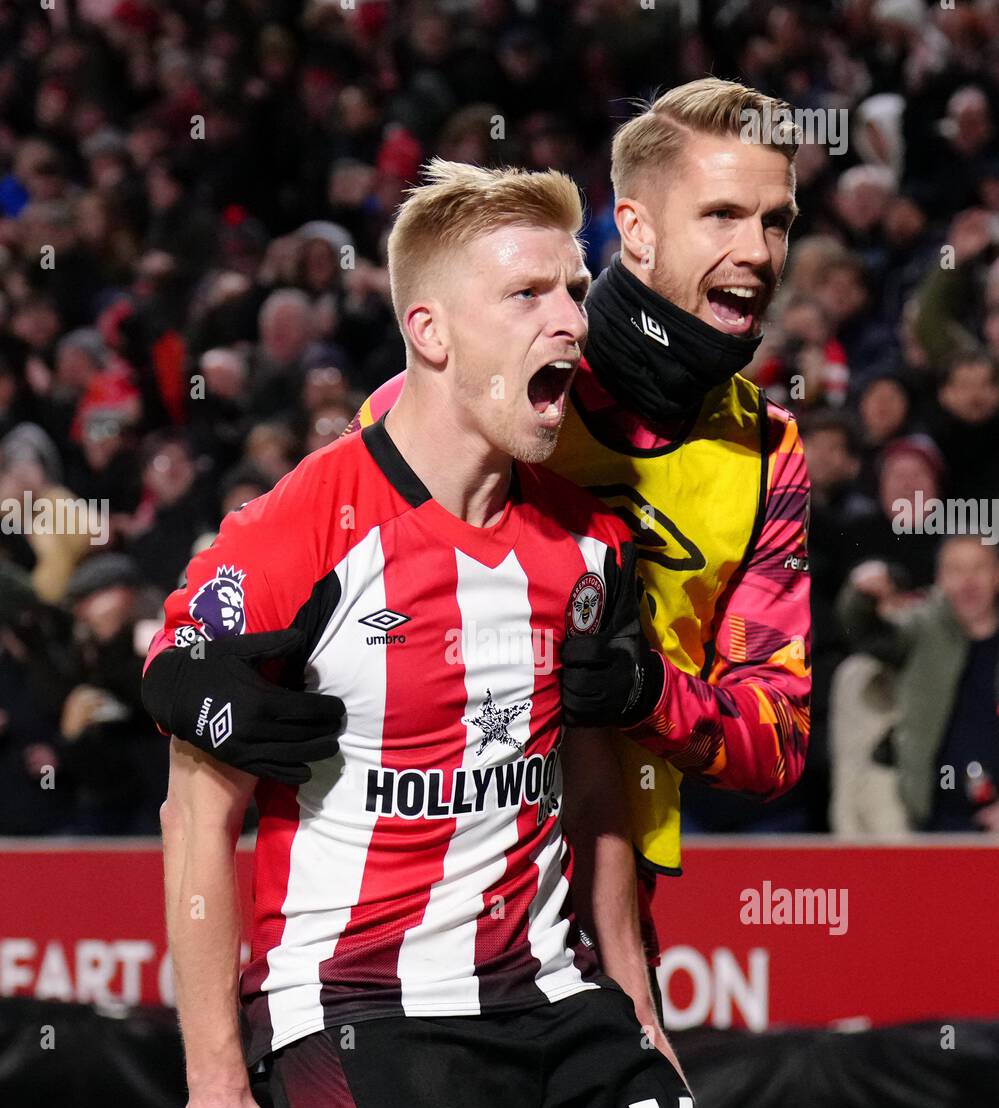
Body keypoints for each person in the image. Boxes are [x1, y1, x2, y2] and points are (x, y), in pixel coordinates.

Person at [143, 162, 759, 1108]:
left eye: (574, 291)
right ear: (427, 331)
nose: (573, 320)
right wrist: (217, 1086)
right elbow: (195, 810)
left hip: (557, 1002)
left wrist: (639, 1010)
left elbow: (597, 795)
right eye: (528, 296)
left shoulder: (589, 548)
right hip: (363, 1017)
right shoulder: (300, 534)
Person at [146, 77, 813, 1019]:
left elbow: (778, 745)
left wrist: (641, 695)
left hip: (600, 893)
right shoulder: (503, 367)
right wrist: (185, 680)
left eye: (776, 221)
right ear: (637, 227)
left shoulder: (768, 451)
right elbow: (295, 553)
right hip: (407, 909)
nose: (756, 250)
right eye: (722, 216)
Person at [838, 536, 999, 834]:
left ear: (996, 575)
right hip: (931, 821)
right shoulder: (923, 627)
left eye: (979, 568)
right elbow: (870, 635)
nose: (968, 581)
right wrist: (862, 597)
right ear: (939, 579)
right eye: (956, 570)